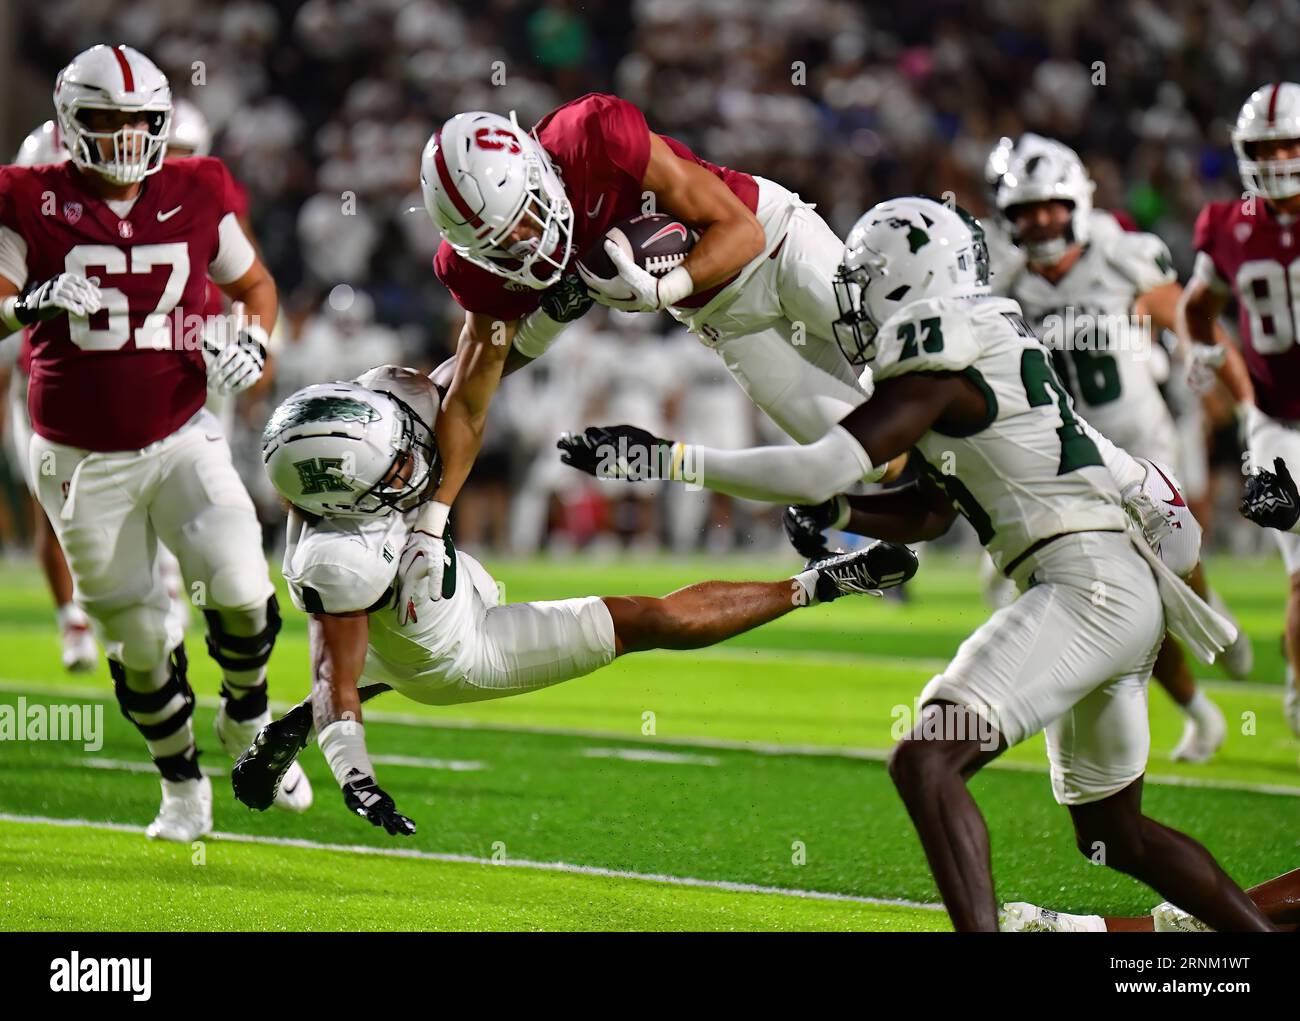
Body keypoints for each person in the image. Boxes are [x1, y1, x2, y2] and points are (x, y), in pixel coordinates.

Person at [557, 196, 1271, 932]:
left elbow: (818, 467)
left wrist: (665, 457)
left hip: (1084, 583)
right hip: (1110, 582)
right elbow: (933, 508)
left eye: (864, 276)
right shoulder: (978, 344)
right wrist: (843, 516)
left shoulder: (937, 350)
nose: (851, 294)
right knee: (1115, 837)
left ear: (904, 278)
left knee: (924, 760)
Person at [230, 365, 918, 832]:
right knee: (649, 618)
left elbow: (467, 376)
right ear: (341, 490)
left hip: (444, 585)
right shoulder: (337, 561)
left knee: (388, 642)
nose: (410, 452)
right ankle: (822, 582)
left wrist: (540, 302)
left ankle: (289, 728)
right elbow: (334, 673)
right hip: (456, 654)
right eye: (394, 456)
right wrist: (357, 777)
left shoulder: (352, 472)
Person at [0, 44, 310, 841]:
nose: (123, 135)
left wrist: (256, 340)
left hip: (181, 435)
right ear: (70, 123)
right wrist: (30, 302)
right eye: (104, 119)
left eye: (138, 120)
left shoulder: (197, 187)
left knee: (243, 589)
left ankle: (247, 721)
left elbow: (256, 286)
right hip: (78, 460)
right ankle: (179, 784)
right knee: (140, 644)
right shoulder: (30, 197)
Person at [404, 93, 885, 603]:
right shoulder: (477, 270)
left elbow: (741, 231)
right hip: (727, 321)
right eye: (501, 244)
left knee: (911, 373)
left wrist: (663, 289)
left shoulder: (594, 137)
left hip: (779, 244)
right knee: (876, 454)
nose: (527, 244)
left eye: (524, 218)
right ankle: (865, 521)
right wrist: (432, 524)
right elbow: (476, 387)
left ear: (534, 170)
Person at [994, 140, 1251, 761]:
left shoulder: (1118, 257)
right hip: (1065, 460)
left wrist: (1212, 376)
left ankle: (1208, 605)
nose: (1040, 223)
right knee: (1128, 599)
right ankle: (1200, 713)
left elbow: (1189, 318)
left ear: (1076, 205)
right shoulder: (1004, 281)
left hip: (1139, 445)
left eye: (1051, 208)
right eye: (1026, 212)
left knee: (1169, 580)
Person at [1179, 81, 1300, 744]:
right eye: (1264, 146)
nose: (1278, 157)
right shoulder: (1229, 223)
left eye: (1289, 143)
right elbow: (1199, 305)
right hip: (1281, 420)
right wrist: (1202, 352)